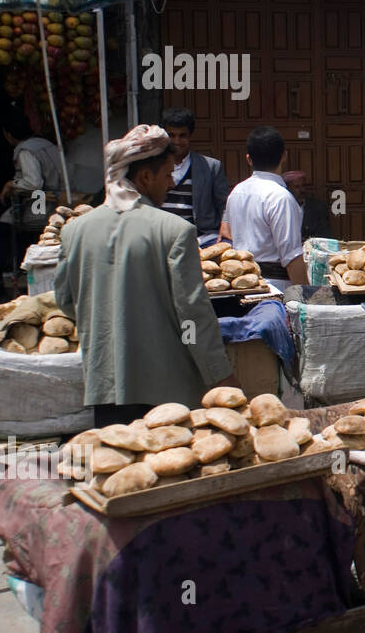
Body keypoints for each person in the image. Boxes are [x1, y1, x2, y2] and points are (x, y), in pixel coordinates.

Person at [54, 125, 241, 424]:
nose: (171, 183)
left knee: (118, 467)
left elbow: (65, 302)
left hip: (105, 386)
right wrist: (221, 375)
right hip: (168, 391)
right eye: (167, 174)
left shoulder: (75, 230)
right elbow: (192, 313)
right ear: (144, 177)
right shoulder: (175, 231)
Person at [0, 109, 66, 301]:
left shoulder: (25, 150)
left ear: (8, 135)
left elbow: (33, 183)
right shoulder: (46, 144)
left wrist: (11, 184)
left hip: (39, 207)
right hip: (54, 202)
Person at [221, 126, 308, 291]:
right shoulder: (280, 197)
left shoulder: (236, 193)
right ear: (284, 156)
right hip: (275, 288)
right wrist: (309, 299)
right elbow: (291, 256)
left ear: (248, 159)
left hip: (243, 286)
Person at [159, 107, 232, 246]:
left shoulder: (211, 167)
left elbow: (225, 204)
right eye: (171, 135)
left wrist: (225, 224)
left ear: (190, 136)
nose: (177, 141)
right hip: (161, 237)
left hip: (201, 239)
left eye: (182, 136)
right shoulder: (154, 167)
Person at [282, 170, 333, 240]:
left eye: (303, 186)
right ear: (288, 190)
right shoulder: (282, 208)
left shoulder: (318, 207)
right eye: (297, 187)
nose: (302, 190)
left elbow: (325, 235)